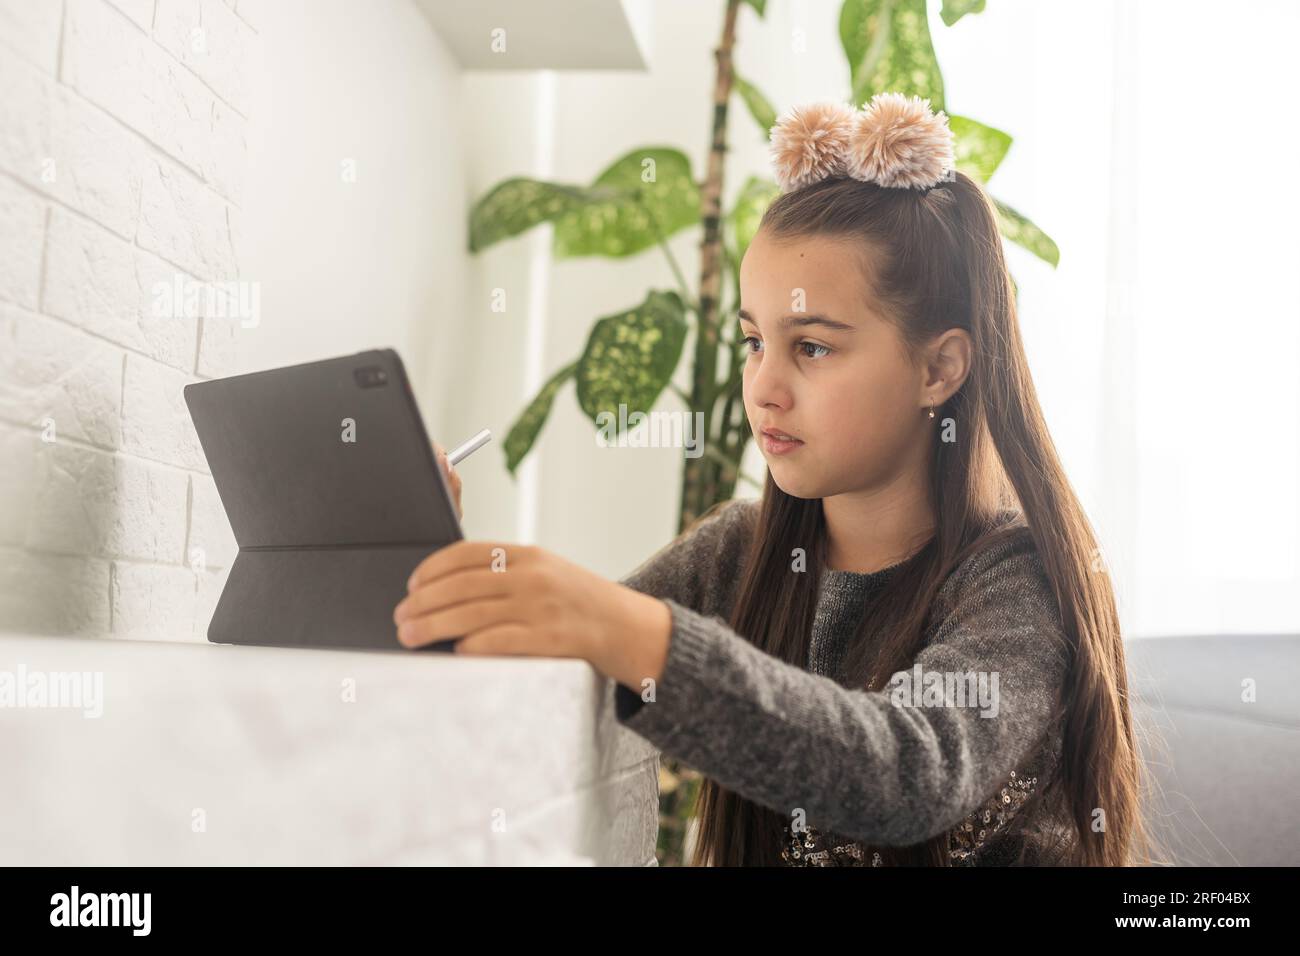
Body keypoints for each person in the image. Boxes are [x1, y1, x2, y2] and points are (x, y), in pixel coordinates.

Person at [395, 93, 1151, 867]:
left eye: (813, 348)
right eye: (755, 342)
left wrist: (625, 628)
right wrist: (416, 557)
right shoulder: (738, 553)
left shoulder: (1015, 583)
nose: (763, 386)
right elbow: (557, 684)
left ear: (939, 368)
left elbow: (910, 773)